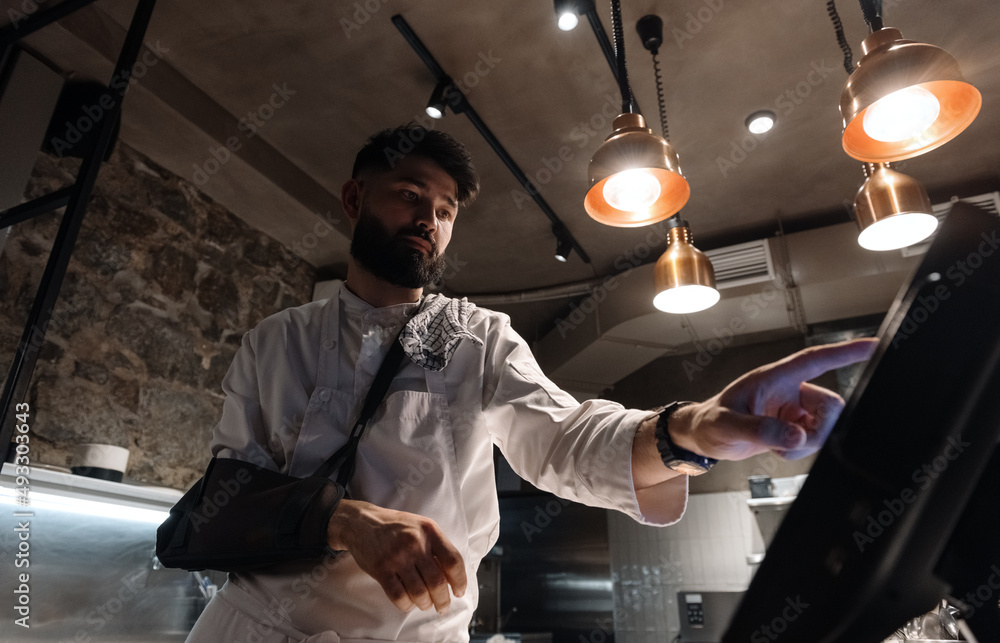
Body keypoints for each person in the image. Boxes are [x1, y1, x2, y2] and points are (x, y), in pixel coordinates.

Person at [186, 124, 876, 642]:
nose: (430, 219)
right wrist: (343, 518)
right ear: (354, 198)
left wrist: (686, 430)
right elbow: (228, 492)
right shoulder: (275, 339)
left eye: (448, 209)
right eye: (409, 195)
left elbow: (563, 438)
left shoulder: (471, 334)